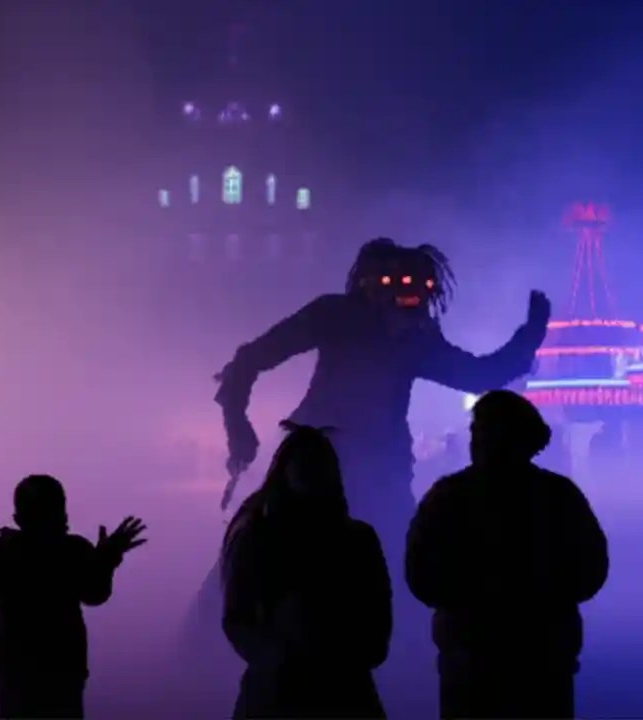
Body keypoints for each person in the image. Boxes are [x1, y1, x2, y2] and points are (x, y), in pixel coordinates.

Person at [191, 238, 551, 717]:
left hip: (359, 464)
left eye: (412, 286)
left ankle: (393, 671)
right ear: (365, 283)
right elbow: (249, 360)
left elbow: (479, 373)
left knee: (375, 565)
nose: (401, 294)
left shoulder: (413, 339)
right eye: (388, 282)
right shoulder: (340, 317)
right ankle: (202, 660)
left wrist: (530, 333)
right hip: (322, 459)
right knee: (276, 553)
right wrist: (238, 426)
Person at [406, 390, 608, 719]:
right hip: (543, 652)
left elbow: (420, 573)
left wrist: (466, 600)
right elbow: (591, 568)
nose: (476, 437)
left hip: (470, 653)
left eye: (483, 429)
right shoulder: (557, 495)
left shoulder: (449, 496)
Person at [222, 422, 392, 719]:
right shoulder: (259, 537)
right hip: (286, 692)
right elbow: (237, 618)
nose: (311, 471)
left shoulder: (357, 539)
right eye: (304, 463)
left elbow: (377, 622)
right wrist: (275, 657)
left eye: (317, 464)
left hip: (336, 691)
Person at [0, 475, 147, 719]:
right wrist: (107, 559)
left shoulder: (3, 550)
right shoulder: (74, 550)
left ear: (18, 518)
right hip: (63, 672)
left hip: (15, 673)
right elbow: (95, 593)